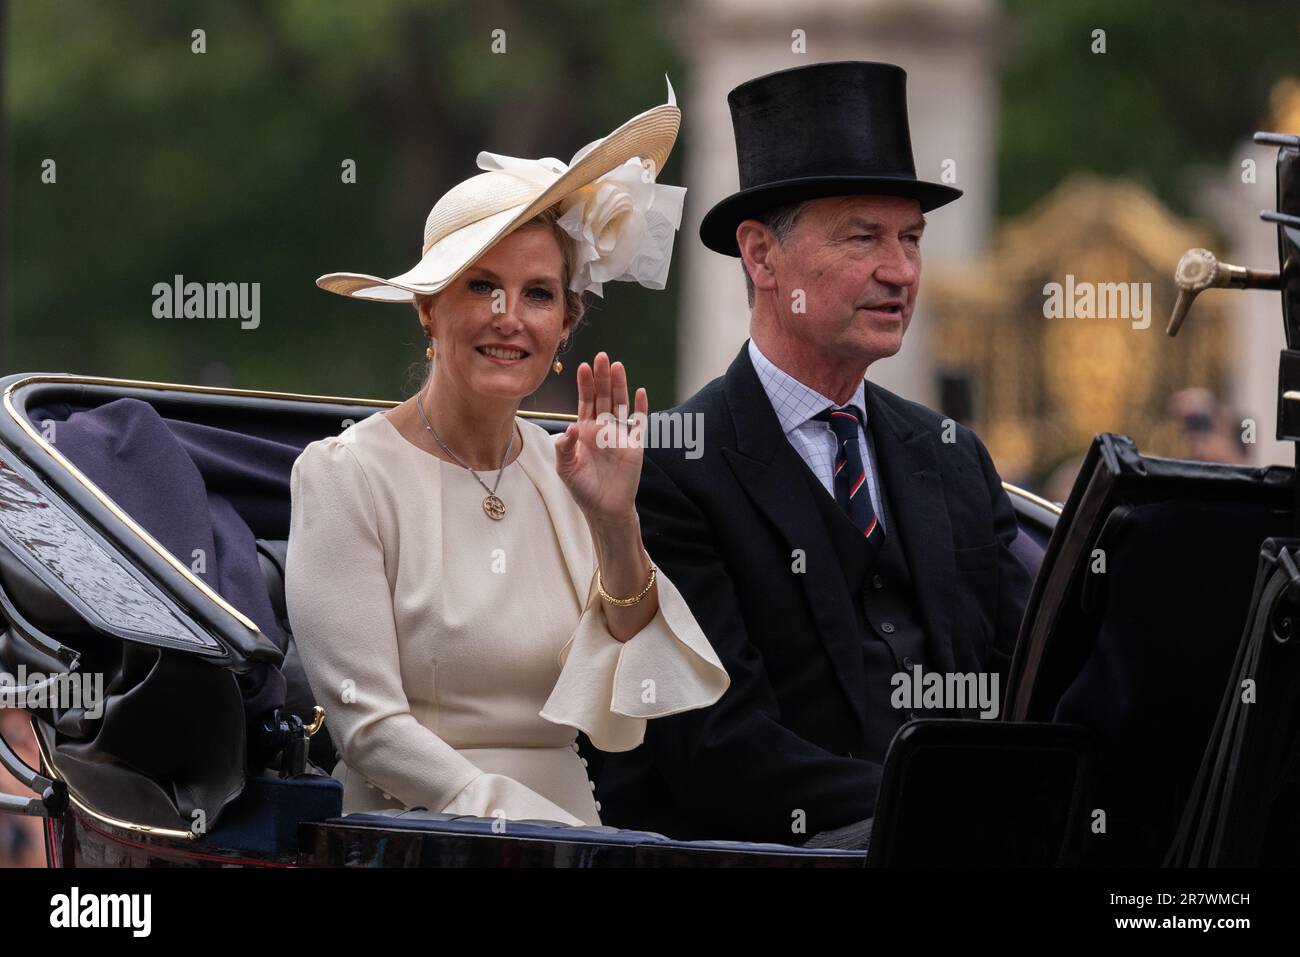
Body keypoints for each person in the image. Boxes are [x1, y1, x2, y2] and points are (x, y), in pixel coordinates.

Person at [596, 61, 1034, 847]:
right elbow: (714, 747)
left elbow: (1034, 676)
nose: (900, 270)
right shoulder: (670, 468)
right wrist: (934, 809)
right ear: (761, 258)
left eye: (910, 238)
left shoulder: (953, 458)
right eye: (863, 236)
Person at [285, 83, 728, 827]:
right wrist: (510, 822)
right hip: (414, 832)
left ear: (564, 325)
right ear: (428, 307)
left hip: (570, 833)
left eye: (538, 294)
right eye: (482, 286)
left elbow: (633, 704)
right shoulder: (344, 477)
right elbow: (369, 729)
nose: (508, 319)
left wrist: (617, 523)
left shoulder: (571, 474)